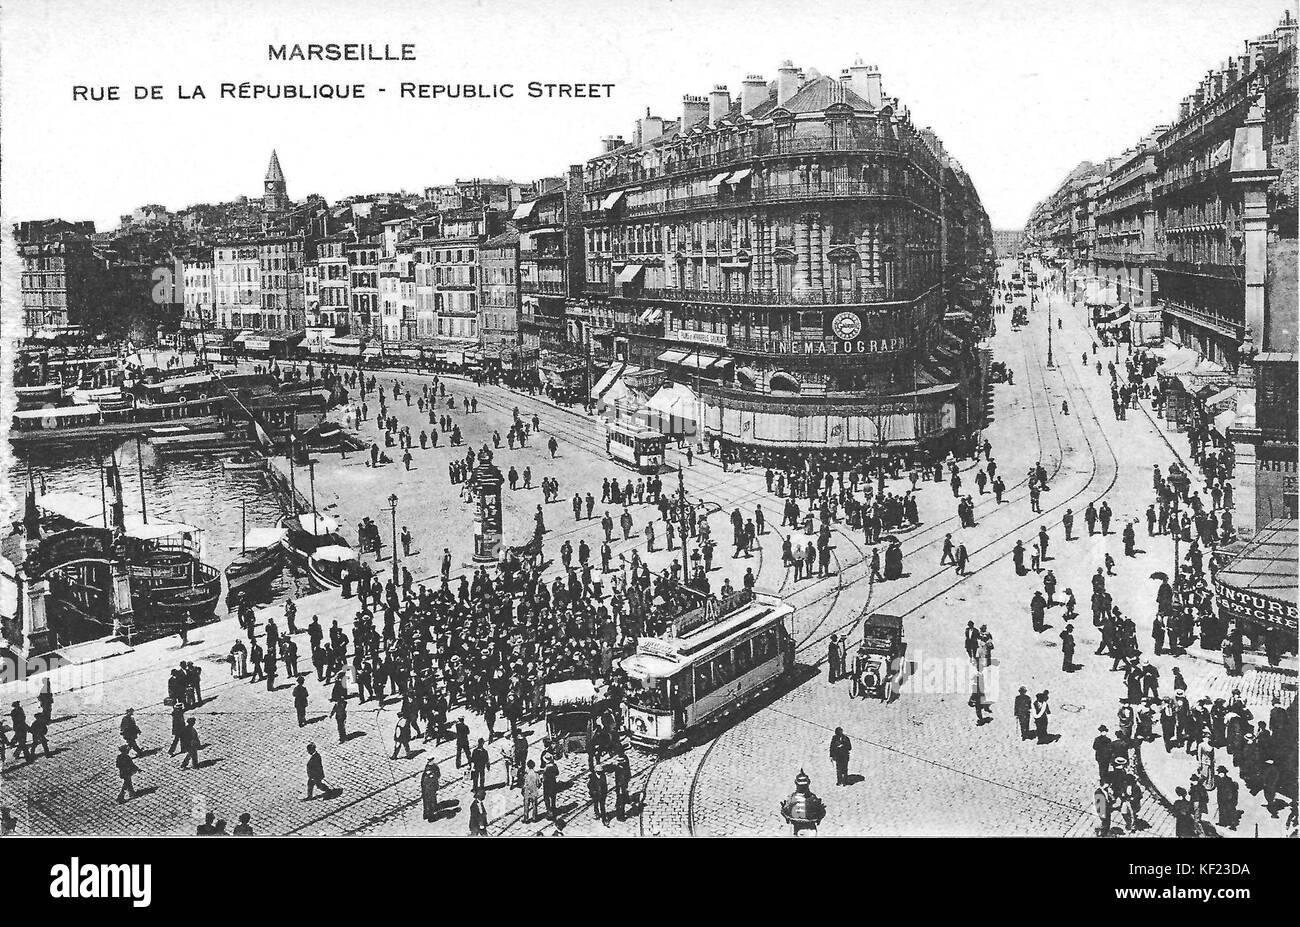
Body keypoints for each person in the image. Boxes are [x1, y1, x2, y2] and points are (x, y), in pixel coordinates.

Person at [421, 758, 442, 822]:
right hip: (427, 787)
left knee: (429, 801)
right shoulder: (428, 767)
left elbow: (438, 775)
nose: (429, 762)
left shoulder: (433, 767)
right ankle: (429, 816)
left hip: (429, 787)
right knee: (428, 802)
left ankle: (429, 815)